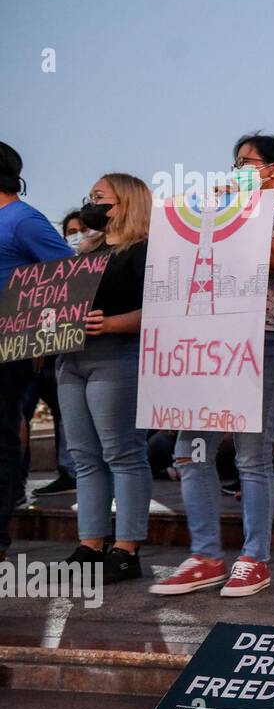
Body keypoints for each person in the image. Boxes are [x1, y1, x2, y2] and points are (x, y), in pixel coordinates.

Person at [151, 133, 274, 597]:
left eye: (246, 162)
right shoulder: (217, 211)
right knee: (189, 448)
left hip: (267, 341)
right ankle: (206, 555)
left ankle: (253, 558)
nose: (235, 170)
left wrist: (248, 216)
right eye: (234, 163)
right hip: (212, 341)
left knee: (251, 451)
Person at [58, 174, 153, 582]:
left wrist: (112, 324)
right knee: (84, 456)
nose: (90, 204)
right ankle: (91, 543)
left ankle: (127, 548)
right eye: (90, 197)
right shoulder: (84, 250)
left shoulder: (146, 250)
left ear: (126, 203)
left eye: (100, 198)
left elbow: (159, 310)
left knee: (122, 453)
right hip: (70, 360)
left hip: (116, 357)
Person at [0, 141, 73, 563]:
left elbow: (69, 277)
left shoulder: (23, 220)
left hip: (9, 351)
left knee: (3, 440)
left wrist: (40, 338)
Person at [24, 211, 85, 498]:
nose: (76, 235)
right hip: (38, 354)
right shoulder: (43, 265)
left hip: (66, 354)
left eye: (80, 229)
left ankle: (71, 471)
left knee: (67, 413)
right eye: (70, 231)